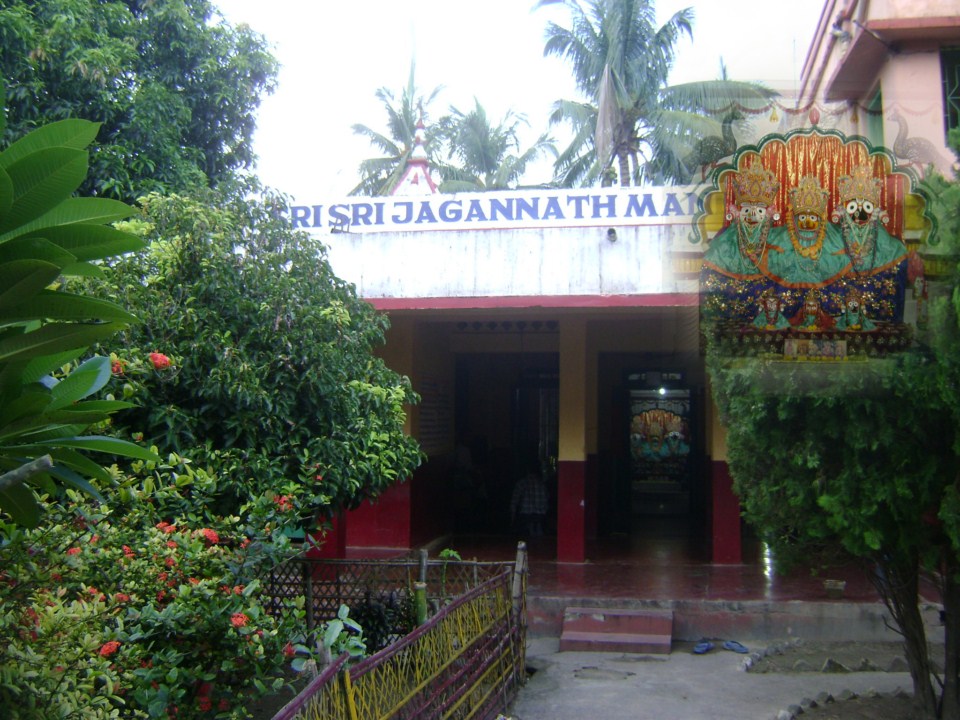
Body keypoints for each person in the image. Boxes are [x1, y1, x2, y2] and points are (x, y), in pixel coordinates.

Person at [510, 465, 548, 538]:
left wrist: (512, 519)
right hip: (540, 516)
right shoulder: (542, 484)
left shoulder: (521, 483)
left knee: (525, 538)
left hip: (525, 516)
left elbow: (514, 502)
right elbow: (546, 501)